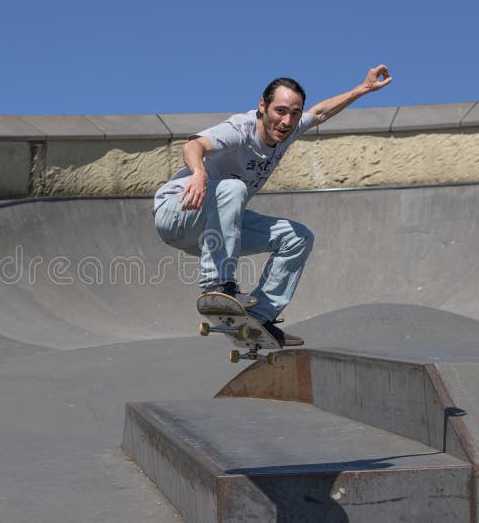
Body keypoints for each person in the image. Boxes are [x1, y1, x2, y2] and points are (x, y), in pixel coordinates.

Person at [153, 65, 393, 345]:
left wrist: (362, 89)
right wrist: (199, 173)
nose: (287, 121)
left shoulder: (290, 128)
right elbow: (193, 146)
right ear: (263, 106)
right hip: (178, 212)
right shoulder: (239, 129)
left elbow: (320, 113)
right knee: (233, 187)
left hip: (211, 235)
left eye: (294, 113)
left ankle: (260, 318)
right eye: (280, 111)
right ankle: (218, 286)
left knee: (297, 237)